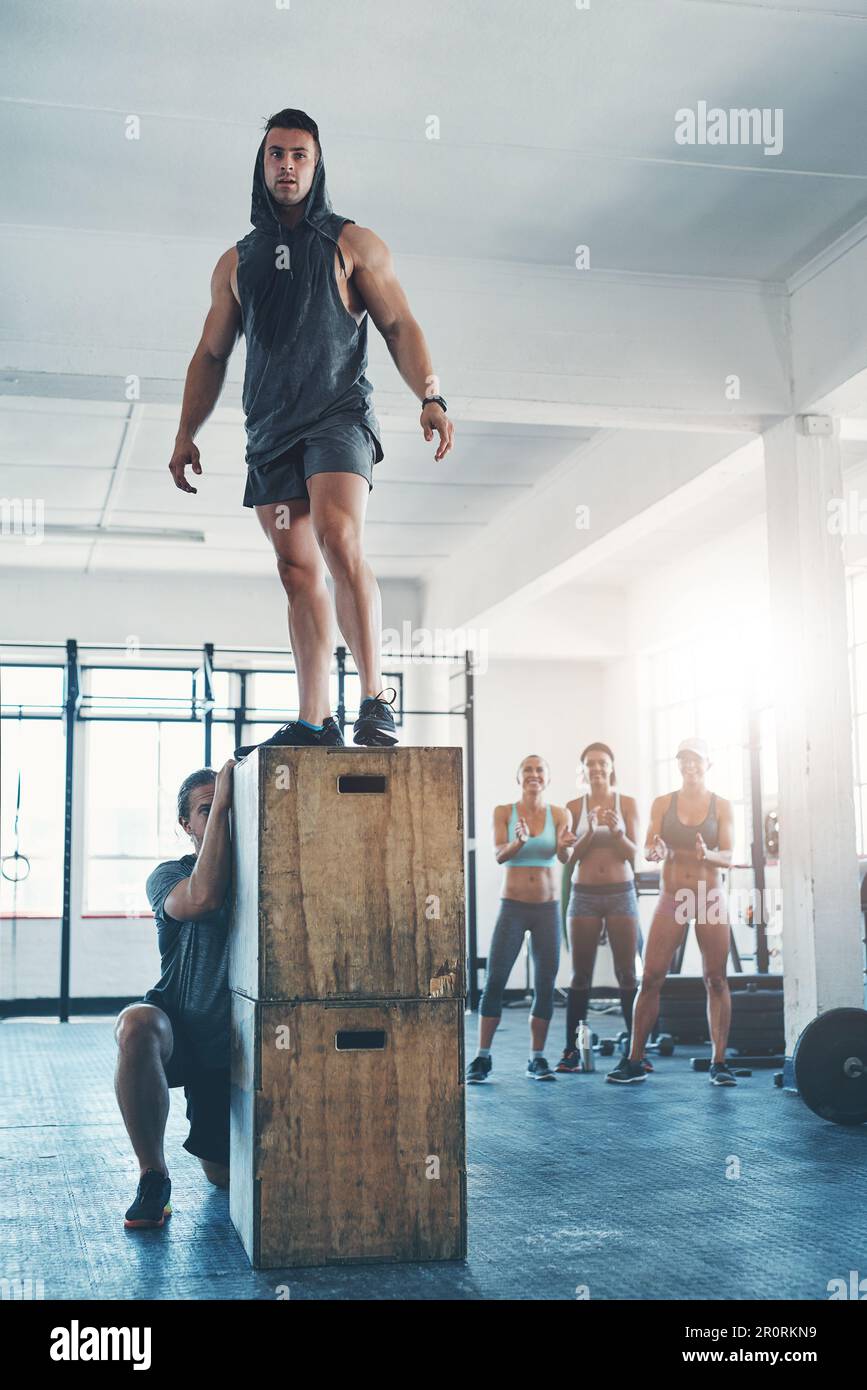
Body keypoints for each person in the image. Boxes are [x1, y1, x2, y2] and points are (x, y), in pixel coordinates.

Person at [167, 107, 455, 754]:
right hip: (270, 431)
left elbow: (400, 326)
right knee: (295, 570)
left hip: (337, 417)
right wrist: (186, 432)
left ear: (316, 165)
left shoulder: (353, 243)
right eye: (276, 154)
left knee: (335, 535)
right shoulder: (235, 263)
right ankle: (313, 719)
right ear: (261, 164)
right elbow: (211, 355)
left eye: (299, 154)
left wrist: (430, 395)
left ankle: (375, 697)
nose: (287, 165)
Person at [114, 760, 236, 1228]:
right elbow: (203, 899)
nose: (222, 817)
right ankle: (153, 1178)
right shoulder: (170, 874)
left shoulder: (273, 872)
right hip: (187, 1034)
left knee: (222, 1174)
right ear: (186, 824)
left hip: (244, 1049)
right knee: (136, 1023)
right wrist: (224, 798)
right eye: (207, 811)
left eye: (229, 807)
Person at [607, 737, 736, 1086]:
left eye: (696, 759)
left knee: (716, 978)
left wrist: (706, 853)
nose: (689, 765)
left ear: (708, 763)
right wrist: (655, 849)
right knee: (650, 977)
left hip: (708, 896)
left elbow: (728, 856)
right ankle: (634, 1060)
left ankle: (719, 1062)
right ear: (678, 763)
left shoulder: (722, 806)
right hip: (673, 896)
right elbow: (651, 844)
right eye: (684, 759)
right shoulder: (663, 803)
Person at [466, 755, 577, 1083]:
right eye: (527, 770)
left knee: (545, 985)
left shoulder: (560, 813)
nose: (533, 774)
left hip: (547, 909)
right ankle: (482, 1058)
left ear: (547, 777)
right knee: (495, 982)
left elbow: (563, 855)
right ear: (519, 778)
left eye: (539, 769)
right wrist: (520, 841)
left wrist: (567, 847)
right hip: (512, 906)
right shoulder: (504, 812)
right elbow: (500, 855)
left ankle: (537, 1058)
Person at [555, 743, 641, 1073]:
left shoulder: (627, 804)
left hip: (621, 892)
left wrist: (618, 832)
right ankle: (571, 1051)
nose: (596, 768)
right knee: (580, 975)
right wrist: (589, 832)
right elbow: (569, 857)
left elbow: (634, 853)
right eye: (590, 763)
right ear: (584, 769)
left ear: (611, 766)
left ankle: (636, 1052)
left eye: (602, 763)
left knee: (626, 973)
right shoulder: (573, 806)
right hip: (585, 894)